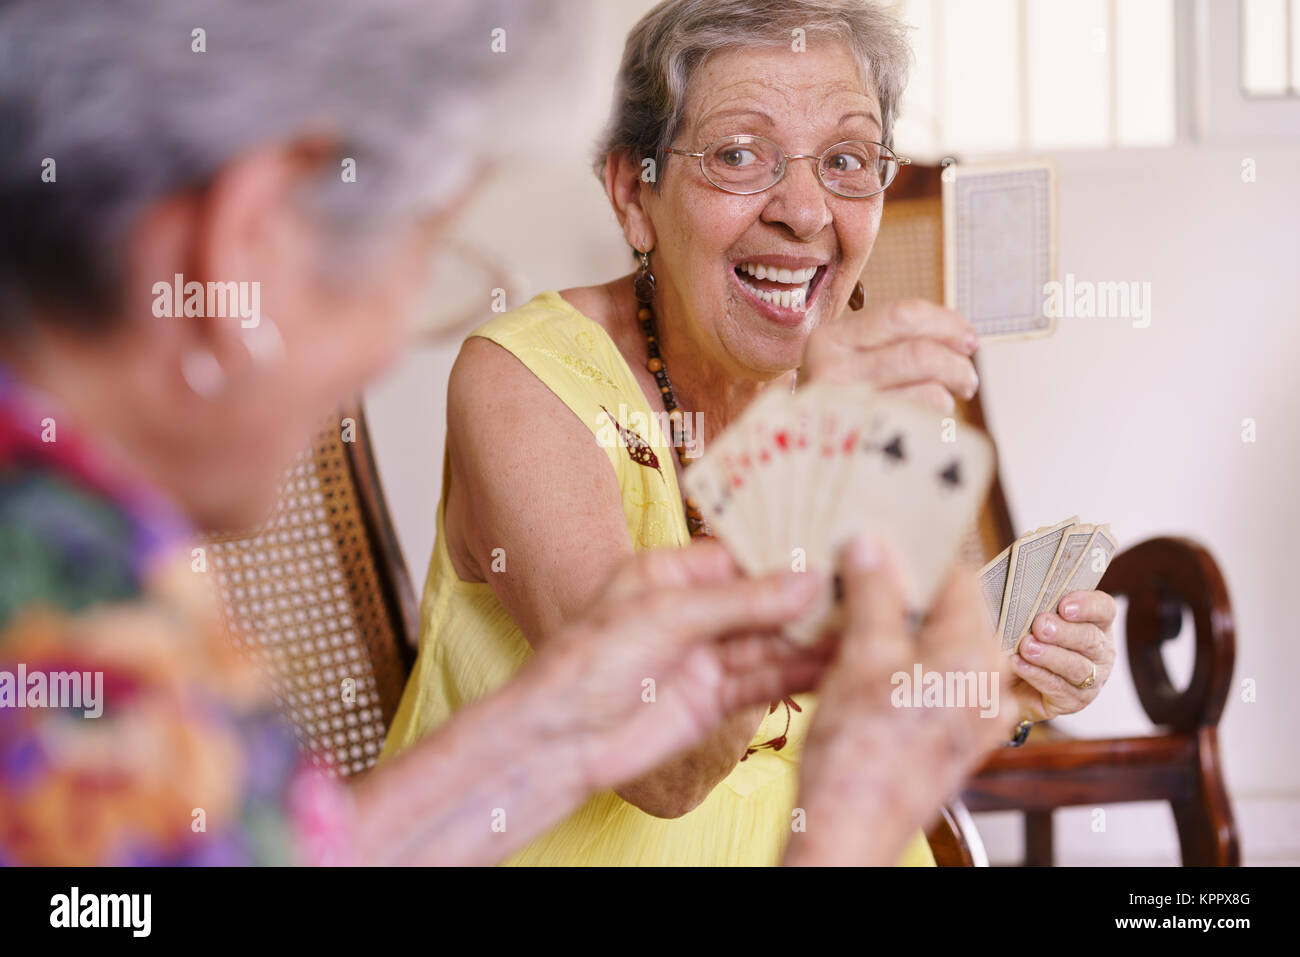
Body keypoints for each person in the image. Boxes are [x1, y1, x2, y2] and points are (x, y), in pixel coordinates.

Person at [0, 0, 1041, 867]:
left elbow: (276, 851)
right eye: (422, 257)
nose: (383, 351)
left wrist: (550, 729)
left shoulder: (87, 557)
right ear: (245, 242)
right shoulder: (76, 643)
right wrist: (851, 825)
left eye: (849, 162)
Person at [382, 0, 1119, 866]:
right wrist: (812, 468)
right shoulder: (521, 382)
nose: (805, 211)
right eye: (739, 155)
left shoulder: (867, 393)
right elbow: (660, 765)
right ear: (632, 191)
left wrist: (1008, 679)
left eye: (847, 159)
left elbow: (887, 702)